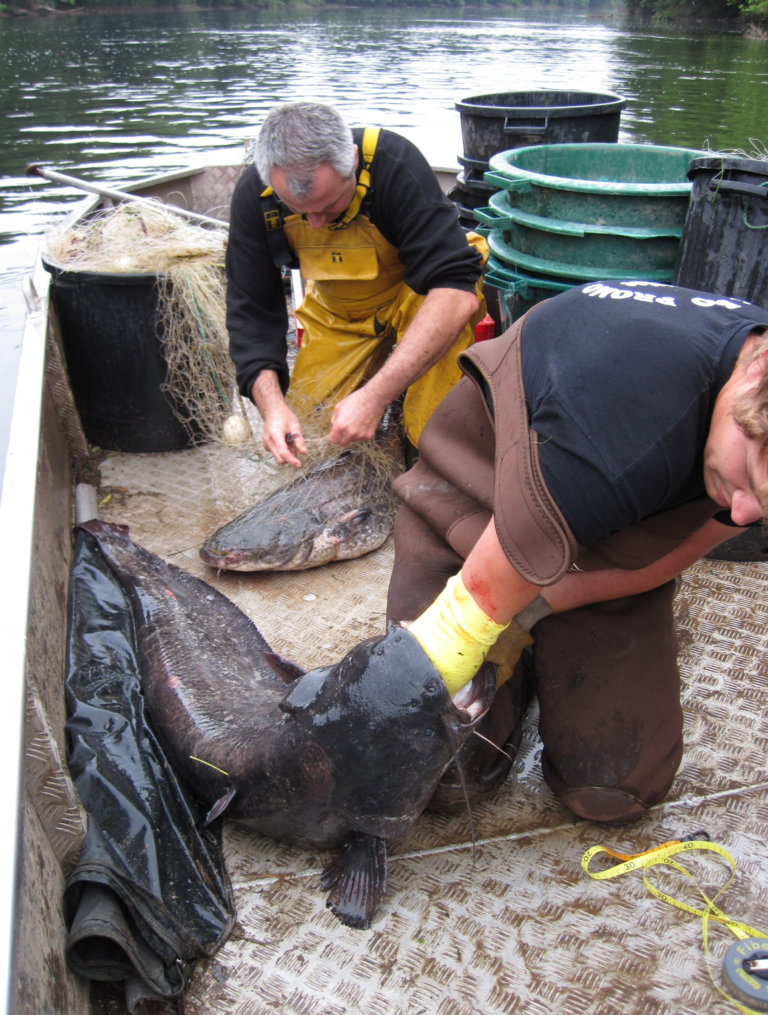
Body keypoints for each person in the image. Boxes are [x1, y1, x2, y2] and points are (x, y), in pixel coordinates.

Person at [381, 279, 768, 822]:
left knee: (614, 789)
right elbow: (464, 616)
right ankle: (497, 648)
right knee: (441, 773)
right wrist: (444, 658)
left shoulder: (753, 424)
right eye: (747, 478)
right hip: (480, 496)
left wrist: (536, 612)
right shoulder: (634, 413)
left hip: (611, 540)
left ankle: (538, 653)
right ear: (757, 370)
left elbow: (675, 552)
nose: (746, 514)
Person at [226, 102, 488, 468]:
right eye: (301, 212)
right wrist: (272, 407)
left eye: (331, 206)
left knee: (431, 423)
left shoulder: (394, 163)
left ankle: (422, 455)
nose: (316, 224)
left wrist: (376, 395)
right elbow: (250, 314)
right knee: (313, 438)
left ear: (350, 160)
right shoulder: (255, 196)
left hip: (419, 296)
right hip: (342, 311)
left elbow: (454, 291)